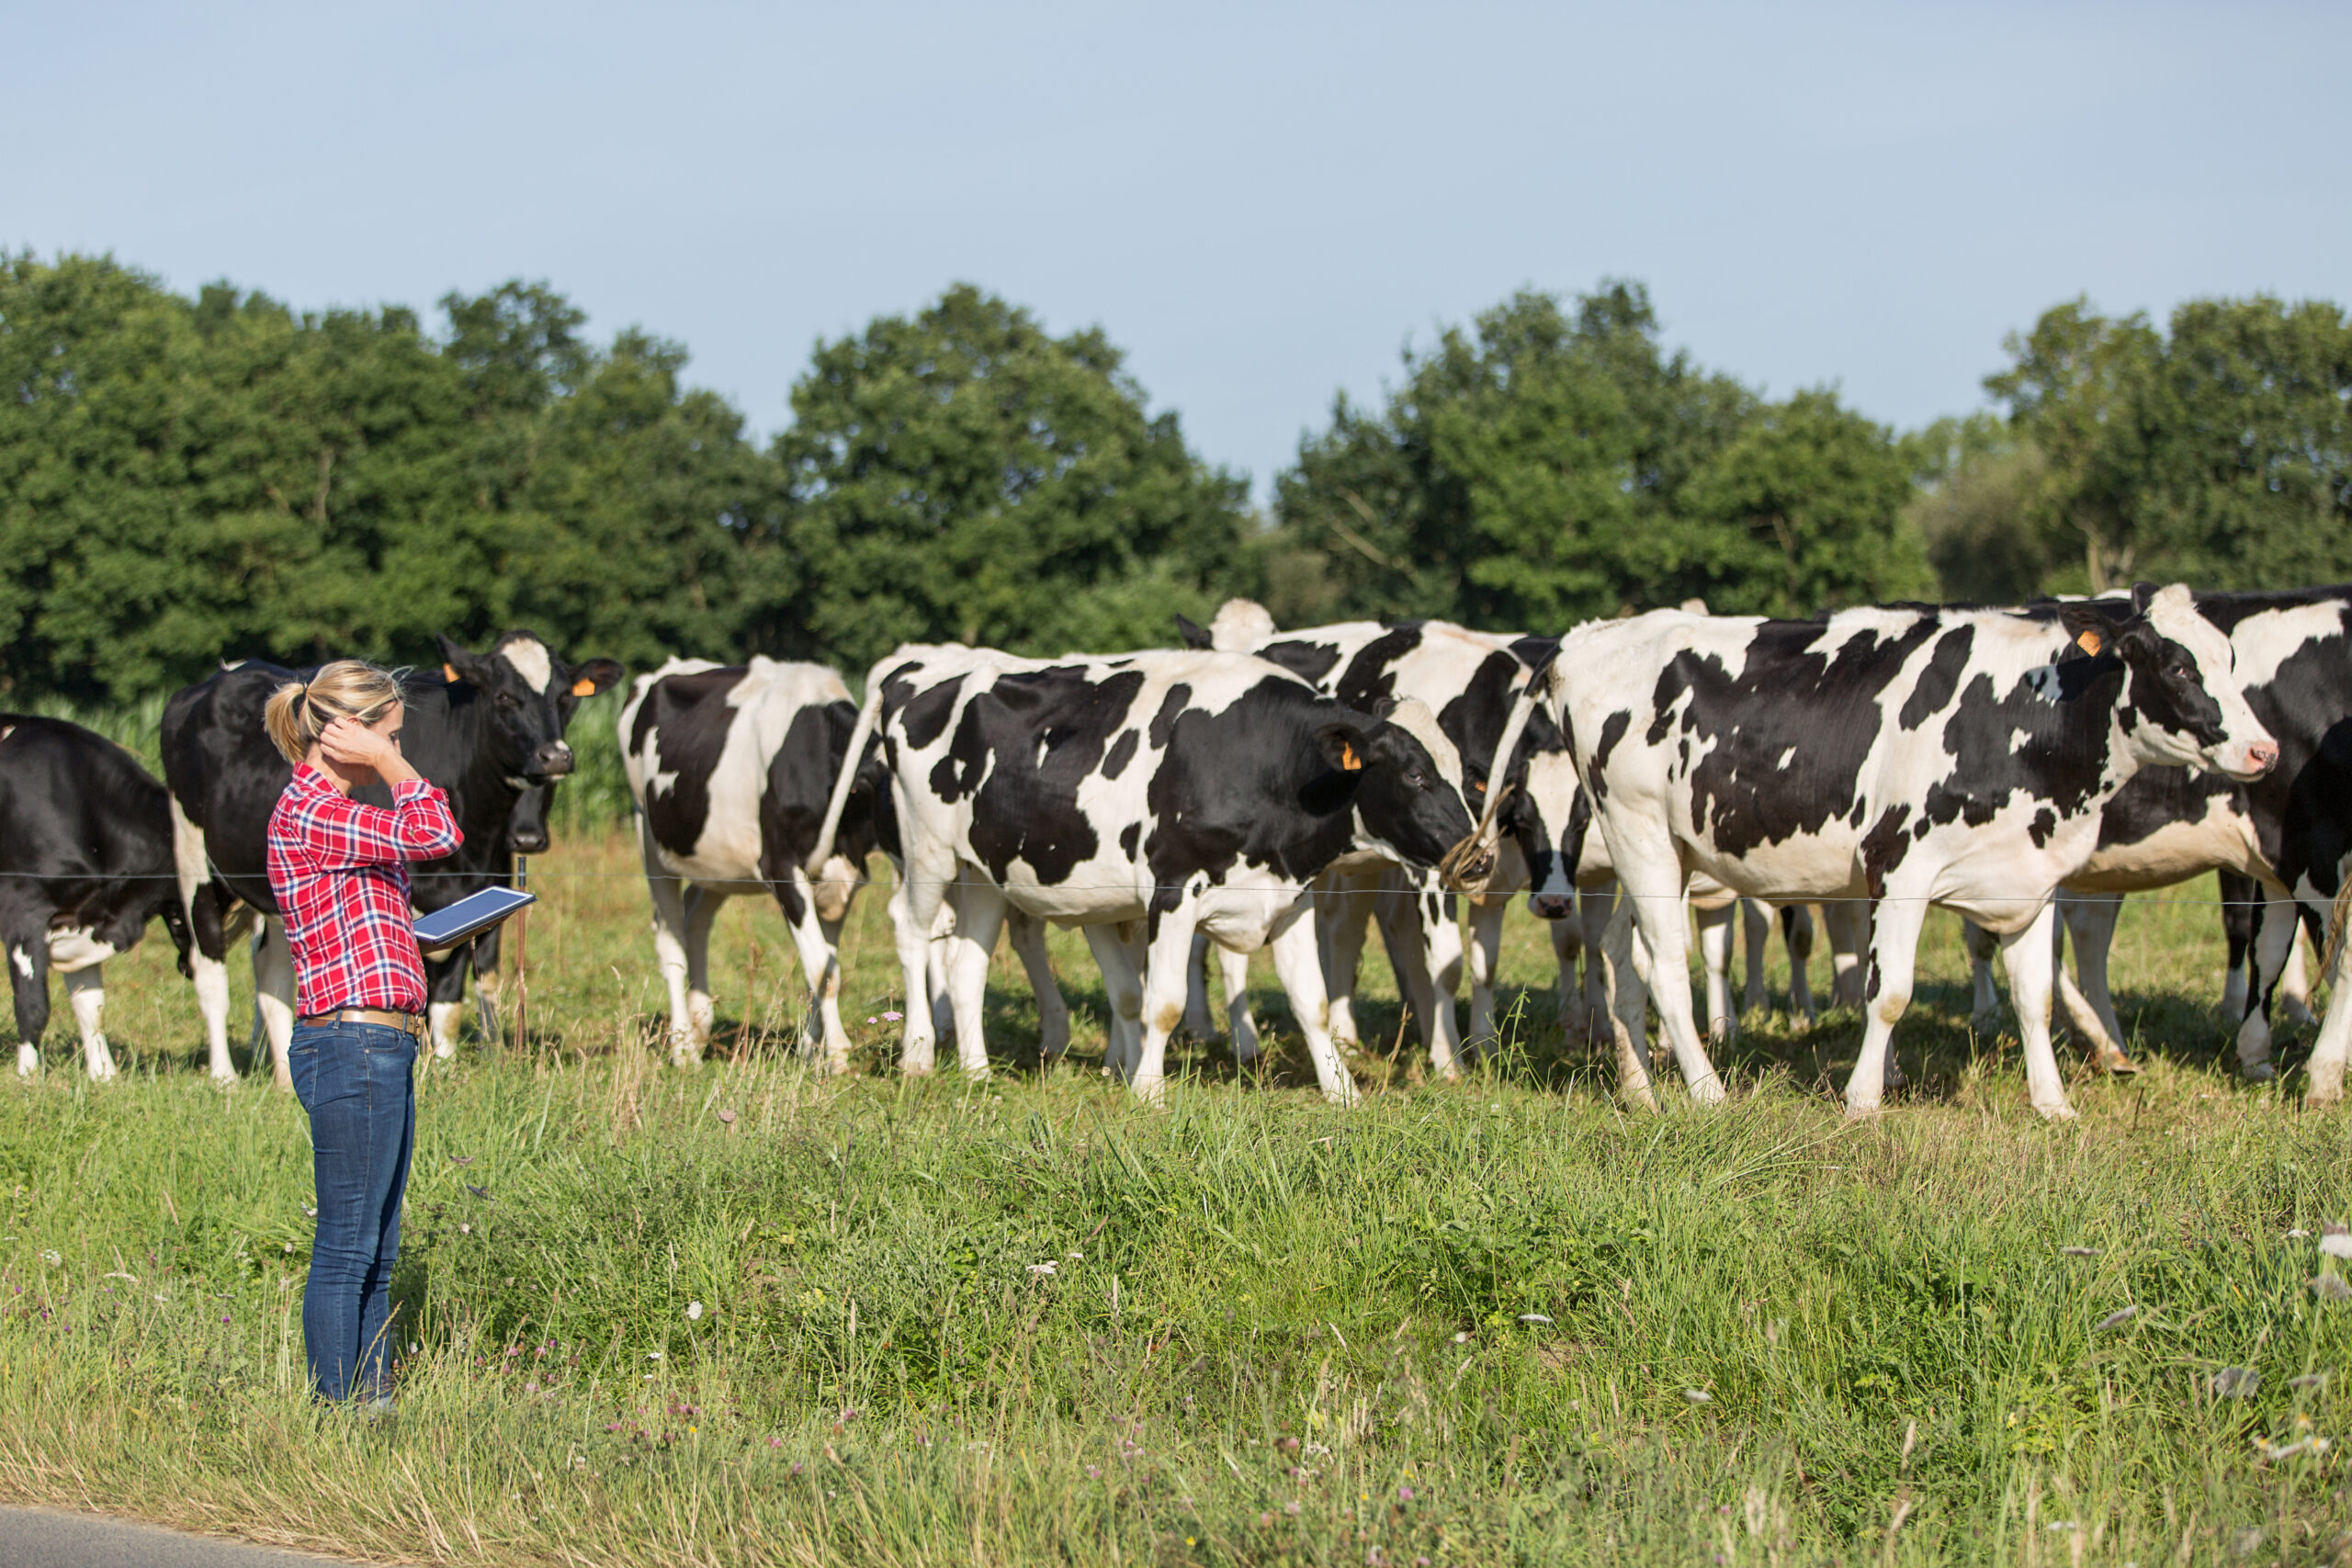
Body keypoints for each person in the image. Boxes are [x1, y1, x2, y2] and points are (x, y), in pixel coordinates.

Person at [263, 660, 461, 1407]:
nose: (395, 749)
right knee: (348, 1246)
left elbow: (358, 918)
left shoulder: (336, 816)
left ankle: (368, 1404)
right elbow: (435, 829)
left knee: (378, 1247)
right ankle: (335, 1409)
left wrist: (419, 936)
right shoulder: (313, 808)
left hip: (374, 1039)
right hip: (352, 1043)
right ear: (346, 732)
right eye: (390, 733)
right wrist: (390, 761)